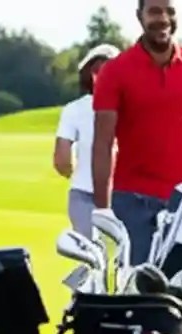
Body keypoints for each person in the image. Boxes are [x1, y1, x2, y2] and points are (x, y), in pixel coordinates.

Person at [90, 0, 182, 267]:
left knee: (179, 279)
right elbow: (103, 143)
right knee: (137, 281)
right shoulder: (115, 71)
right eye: (154, 11)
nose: (163, 18)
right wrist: (103, 209)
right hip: (132, 199)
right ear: (139, 16)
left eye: (170, 11)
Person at [55, 43, 120, 238]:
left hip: (83, 194)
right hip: (126, 197)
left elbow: (62, 161)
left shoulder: (73, 109)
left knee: (91, 253)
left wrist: (72, 171)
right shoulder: (135, 106)